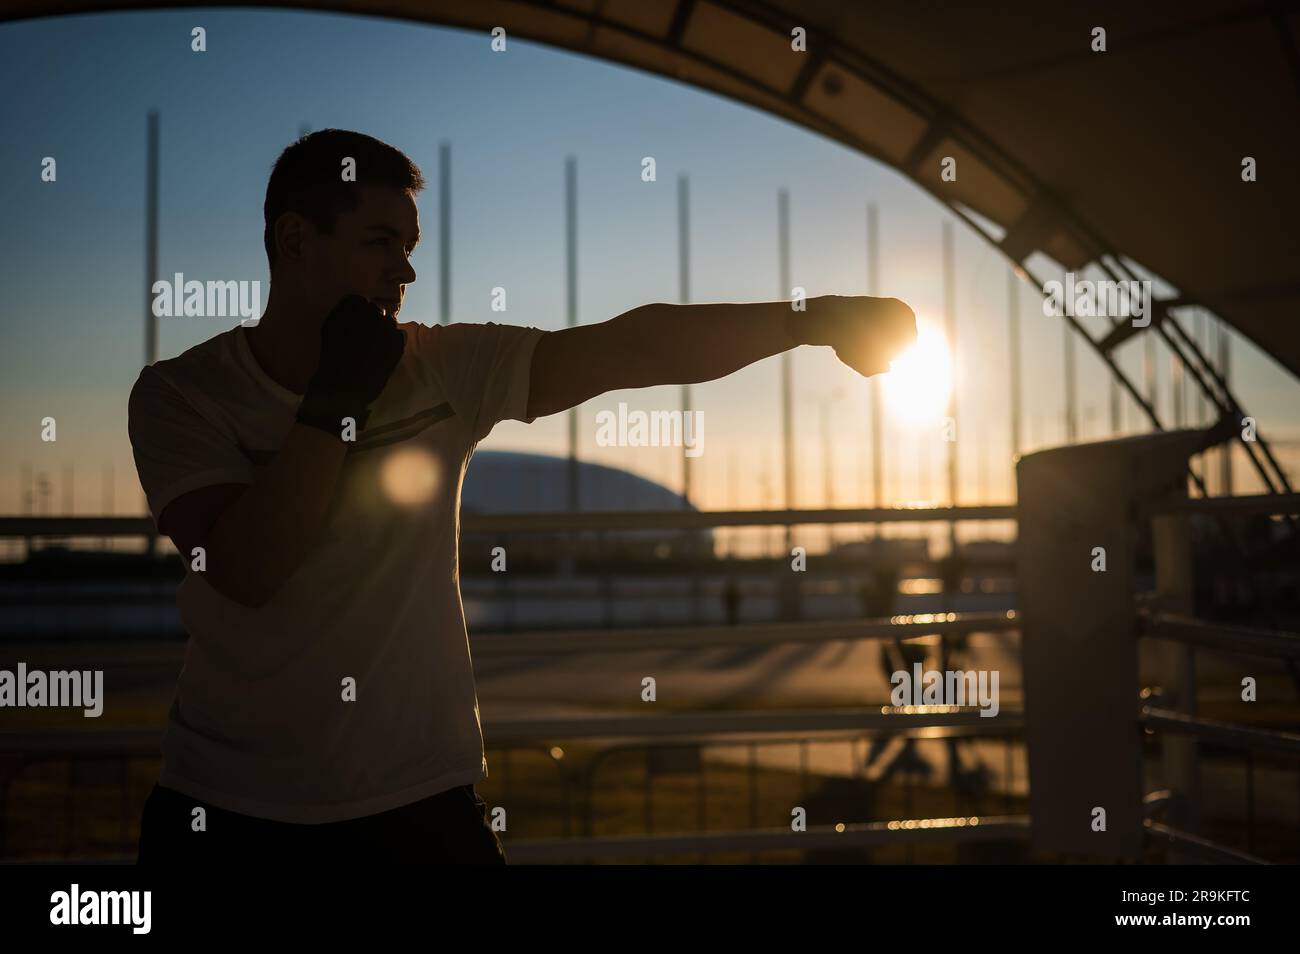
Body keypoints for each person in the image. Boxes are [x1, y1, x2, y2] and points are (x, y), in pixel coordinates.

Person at [128, 128, 916, 863]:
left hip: (421, 799)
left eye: (409, 248)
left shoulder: (442, 366)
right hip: (227, 812)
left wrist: (811, 321)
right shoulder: (180, 396)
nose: (403, 272)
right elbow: (248, 568)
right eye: (378, 243)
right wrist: (336, 402)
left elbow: (626, 348)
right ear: (295, 240)